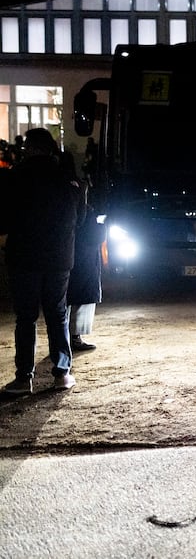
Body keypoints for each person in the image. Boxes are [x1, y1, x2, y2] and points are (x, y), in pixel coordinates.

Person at [1, 128, 85, 395]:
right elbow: (80, 218)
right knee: (57, 314)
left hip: (24, 256)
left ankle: (24, 377)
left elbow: (3, 218)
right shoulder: (67, 179)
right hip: (60, 256)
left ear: (29, 148)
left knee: (26, 317)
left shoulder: (15, 178)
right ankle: (62, 373)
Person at [61, 152, 106, 352]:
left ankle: (65, 339)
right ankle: (75, 337)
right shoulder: (78, 187)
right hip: (82, 253)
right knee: (81, 295)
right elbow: (91, 229)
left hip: (61, 250)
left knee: (63, 298)